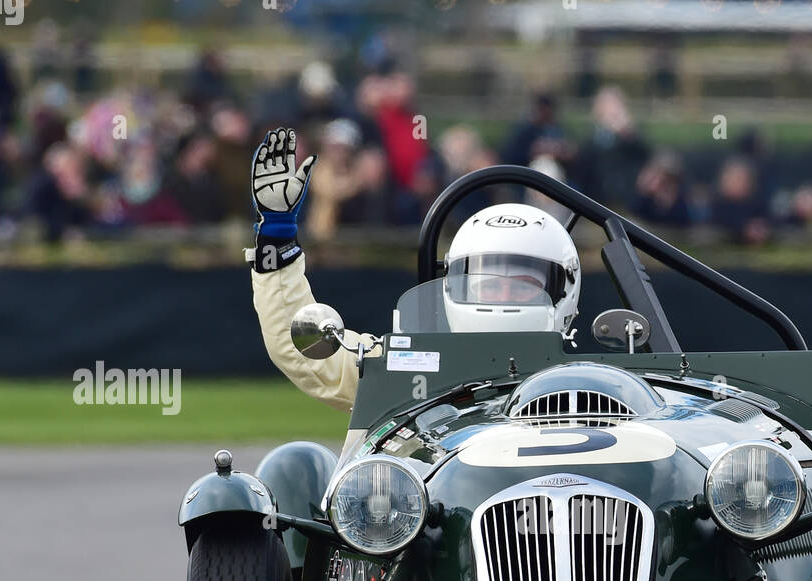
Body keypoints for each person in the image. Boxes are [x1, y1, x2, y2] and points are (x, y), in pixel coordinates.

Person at [249, 128, 581, 413]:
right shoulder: (418, 369)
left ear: (562, 289)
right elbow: (308, 355)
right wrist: (277, 238)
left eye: (524, 284)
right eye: (488, 284)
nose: (504, 296)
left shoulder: (591, 386)